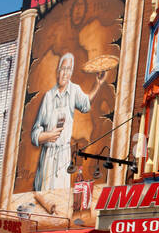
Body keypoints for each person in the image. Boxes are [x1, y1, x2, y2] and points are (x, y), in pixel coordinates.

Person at [30, 53, 105, 191]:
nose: (66, 73)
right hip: (47, 154)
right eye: (63, 69)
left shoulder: (74, 90)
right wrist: (47, 136)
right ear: (58, 71)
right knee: (44, 193)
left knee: (60, 196)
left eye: (69, 69)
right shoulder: (48, 97)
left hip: (63, 153)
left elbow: (85, 105)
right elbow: (35, 132)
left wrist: (98, 84)